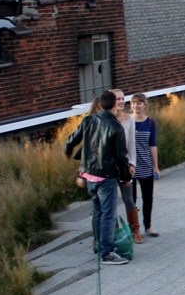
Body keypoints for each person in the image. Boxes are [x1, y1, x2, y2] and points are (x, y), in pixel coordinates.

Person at [64, 91, 131, 264]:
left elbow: (71, 140)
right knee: (108, 215)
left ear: (100, 104)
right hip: (106, 176)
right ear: (114, 105)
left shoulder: (88, 121)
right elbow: (121, 156)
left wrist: (68, 151)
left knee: (98, 212)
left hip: (89, 176)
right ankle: (107, 253)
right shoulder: (116, 127)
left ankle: (99, 245)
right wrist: (125, 177)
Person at [110, 89, 142, 243]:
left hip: (124, 165)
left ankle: (135, 230)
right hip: (109, 167)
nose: (121, 102)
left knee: (128, 199)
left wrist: (132, 164)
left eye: (123, 98)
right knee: (111, 201)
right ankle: (116, 231)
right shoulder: (106, 119)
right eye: (117, 99)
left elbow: (131, 144)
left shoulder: (129, 119)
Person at [130, 93, 161, 237]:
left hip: (146, 165)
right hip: (130, 167)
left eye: (139, 103)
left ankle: (148, 226)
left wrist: (155, 166)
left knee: (148, 197)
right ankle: (134, 229)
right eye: (134, 103)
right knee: (131, 199)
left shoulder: (150, 123)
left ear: (145, 105)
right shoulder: (126, 121)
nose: (136, 105)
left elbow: (153, 145)